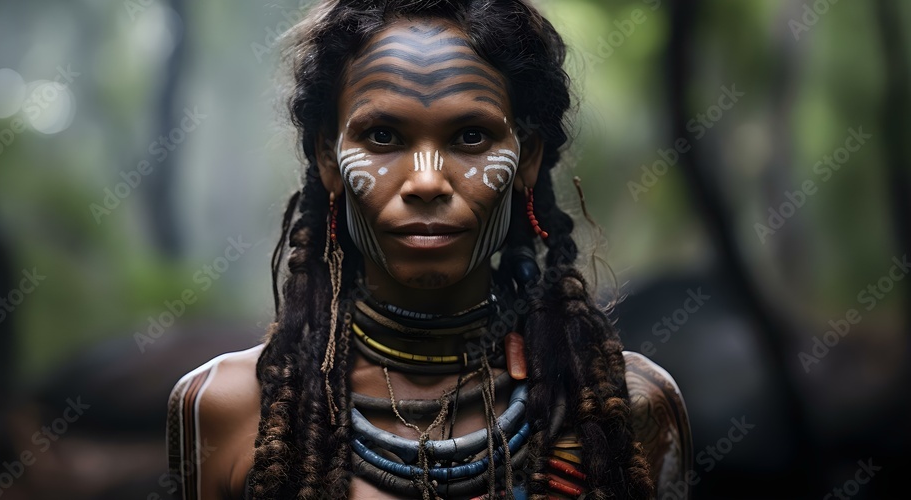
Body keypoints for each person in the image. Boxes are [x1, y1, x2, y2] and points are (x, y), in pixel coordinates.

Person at [167, 1, 691, 498]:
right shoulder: (224, 408)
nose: (426, 182)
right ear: (329, 157)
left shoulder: (627, 408)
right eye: (382, 136)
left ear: (527, 157)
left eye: (470, 136)